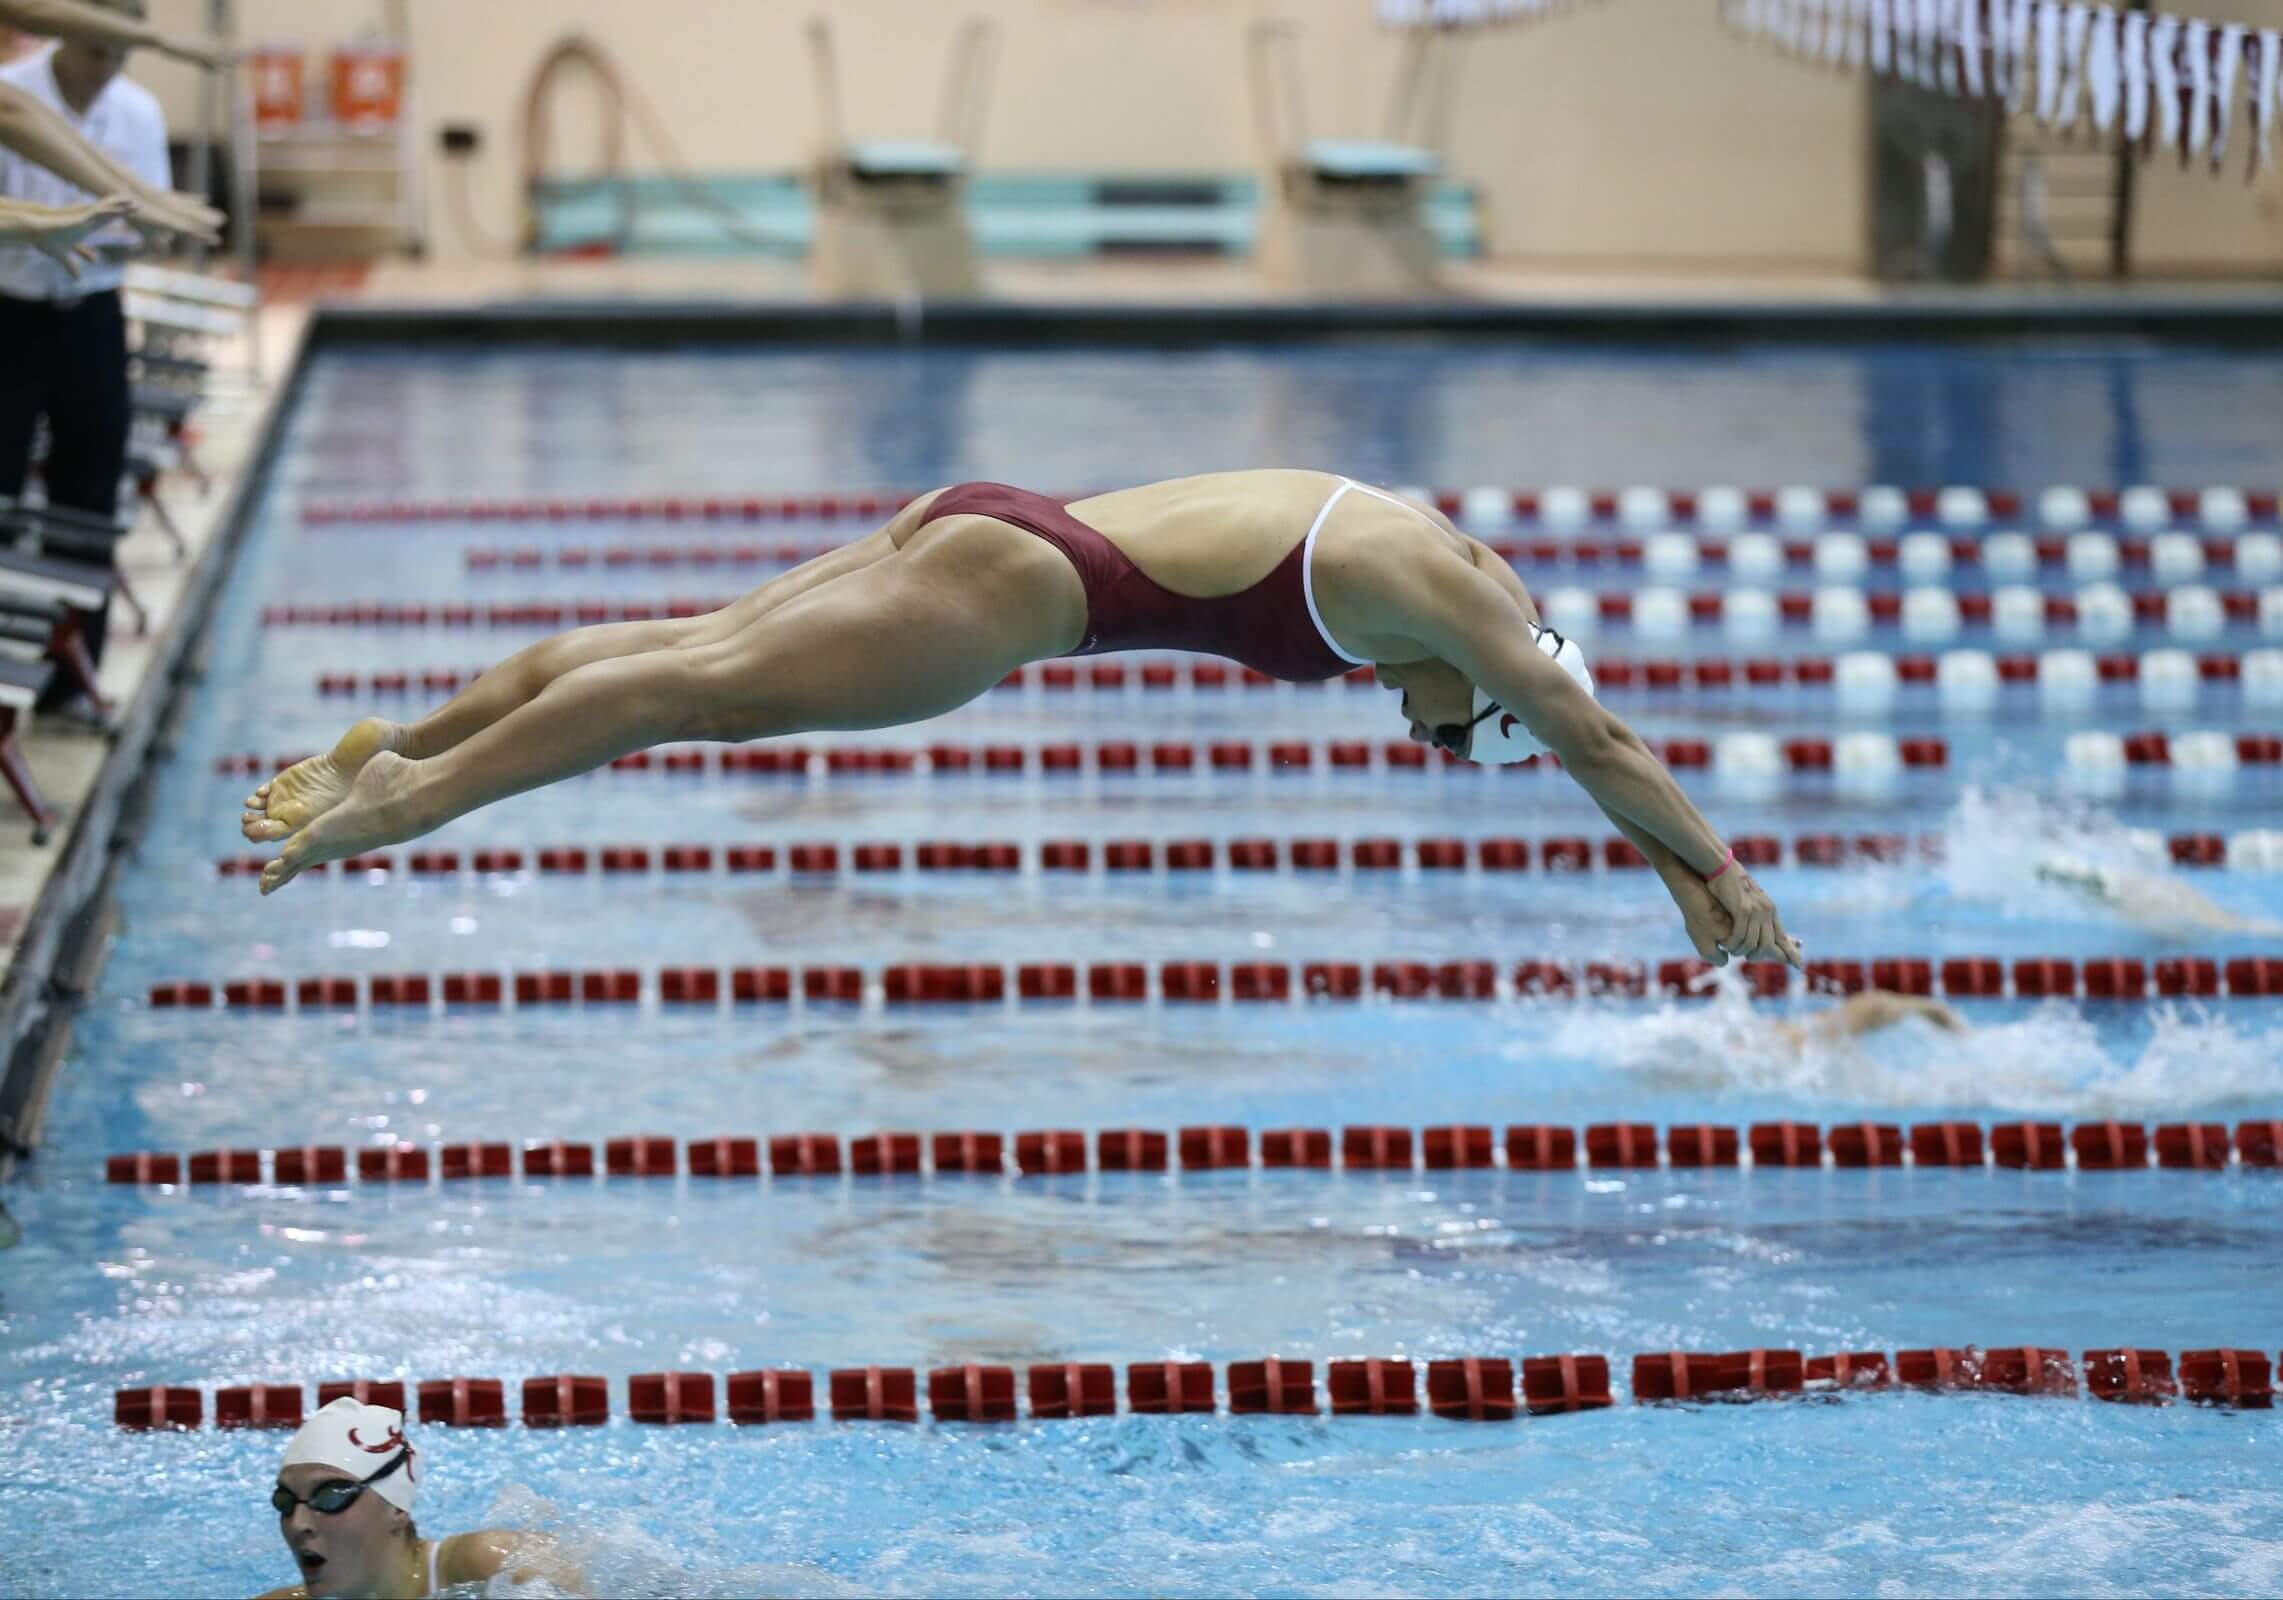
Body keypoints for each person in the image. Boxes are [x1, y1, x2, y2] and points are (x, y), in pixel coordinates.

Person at [242, 469, 1805, 968]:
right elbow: (1595, 740)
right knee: (688, 697)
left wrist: (1666, 877)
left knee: (685, 642)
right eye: (1453, 736)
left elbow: (1575, 733)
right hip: (1012, 602)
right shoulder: (1460, 623)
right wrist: (1726, 875)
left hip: (990, 520)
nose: (1424, 736)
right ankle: (402, 808)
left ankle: (403, 743)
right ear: (1501, 684)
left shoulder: (1451, 571)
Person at [0, 0, 204, 707]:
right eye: (99, 49)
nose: (106, 68)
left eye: (123, 52)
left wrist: (151, 216)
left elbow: (137, 215)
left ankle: (70, 674)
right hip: (11, 319)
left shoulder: (137, 112)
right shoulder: (17, 89)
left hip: (91, 315)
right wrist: (43, 228)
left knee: (90, 485)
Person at [257, 1396, 584, 1600]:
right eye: (285, 1502)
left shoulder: (484, 1564)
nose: (298, 1524)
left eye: (330, 1496)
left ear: (395, 1508)